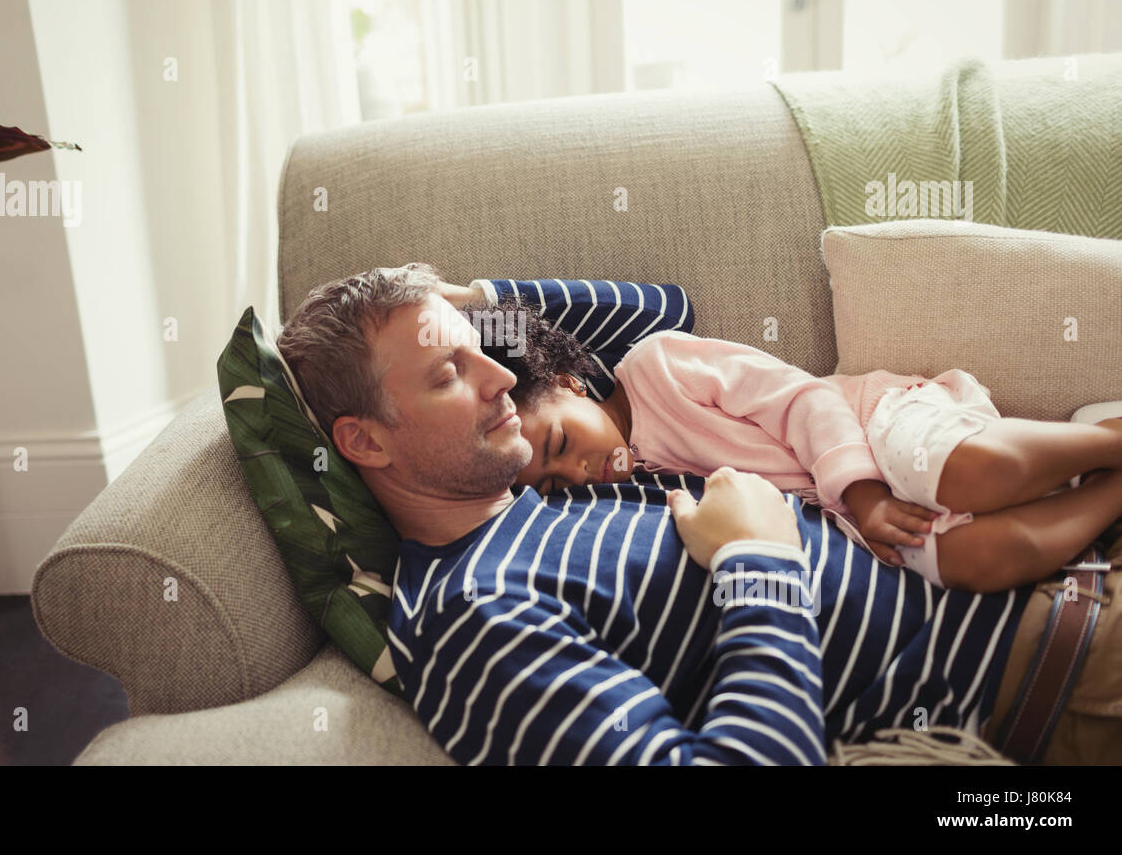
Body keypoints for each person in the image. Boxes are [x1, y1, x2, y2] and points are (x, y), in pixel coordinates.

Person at [275, 264, 1120, 764]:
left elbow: (652, 315)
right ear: (365, 443)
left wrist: (476, 300)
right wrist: (761, 563)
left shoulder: (574, 474)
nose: (498, 378)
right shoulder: (478, 613)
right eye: (447, 375)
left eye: (479, 351)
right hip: (1051, 682)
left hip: (1071, 573)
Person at [478, 296, 1122, 593]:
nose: (581, 472)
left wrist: (865, 494)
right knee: (964, 561)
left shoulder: (657, 366)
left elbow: (798, 399)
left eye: (561, 442)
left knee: (947, 476)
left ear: (571, 384)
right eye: (556, 484)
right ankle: (1110, 493)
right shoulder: (641, 489)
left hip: (880, 424)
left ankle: (1103, 440)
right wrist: (863, 519)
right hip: (865, 518)